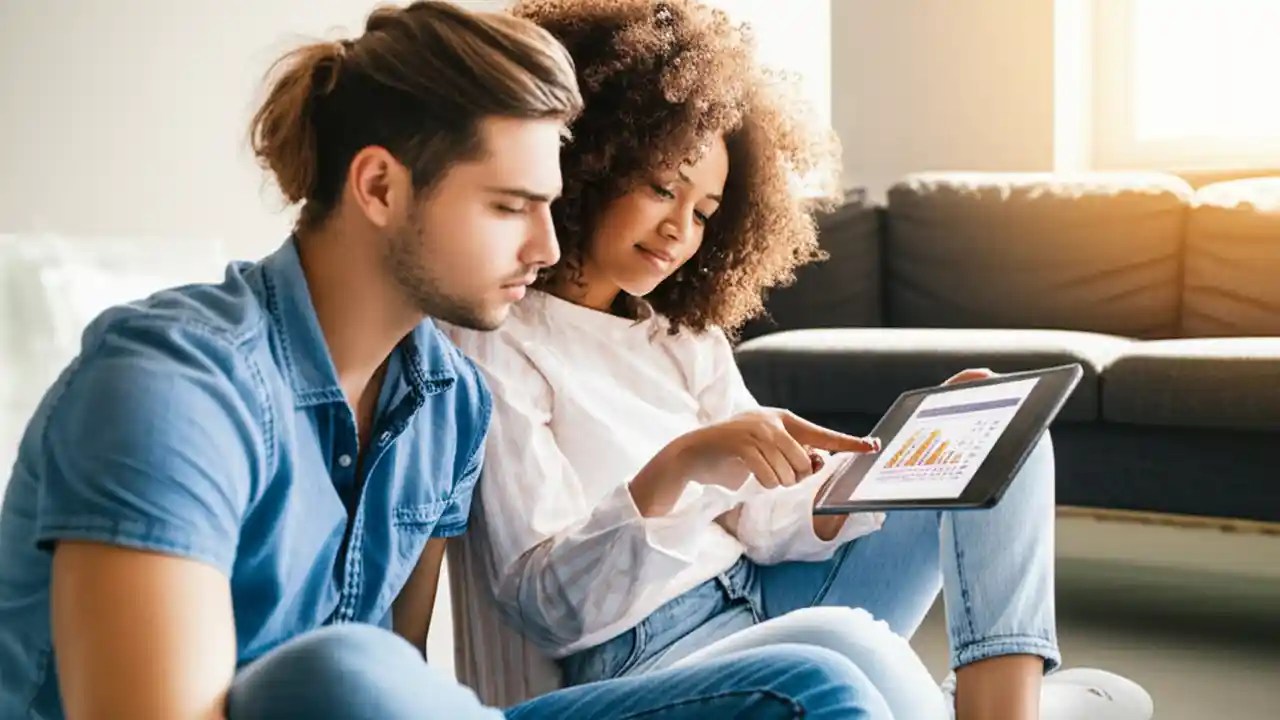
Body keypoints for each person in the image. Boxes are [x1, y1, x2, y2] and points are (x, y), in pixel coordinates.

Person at [0, 2, 897, 719]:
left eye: (551, 204)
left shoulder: (445, 401)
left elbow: (411, 670)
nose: (549, 247)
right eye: (510, 207)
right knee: (342, 668)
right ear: (381, 187)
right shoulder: (172, 385)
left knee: (835, 664)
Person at [444, 1, 1155, 719]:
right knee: (850, 644)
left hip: (765, 596)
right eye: (663, 188)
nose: (678, 231)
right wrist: (678, 466)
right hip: (649, 653)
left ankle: (994, 710)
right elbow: (548, 606)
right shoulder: (500, 338)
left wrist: (896, 462)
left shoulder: (681, 336)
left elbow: (763, 520)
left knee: (1008, 437)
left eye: (704, 211)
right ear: (589, 161)